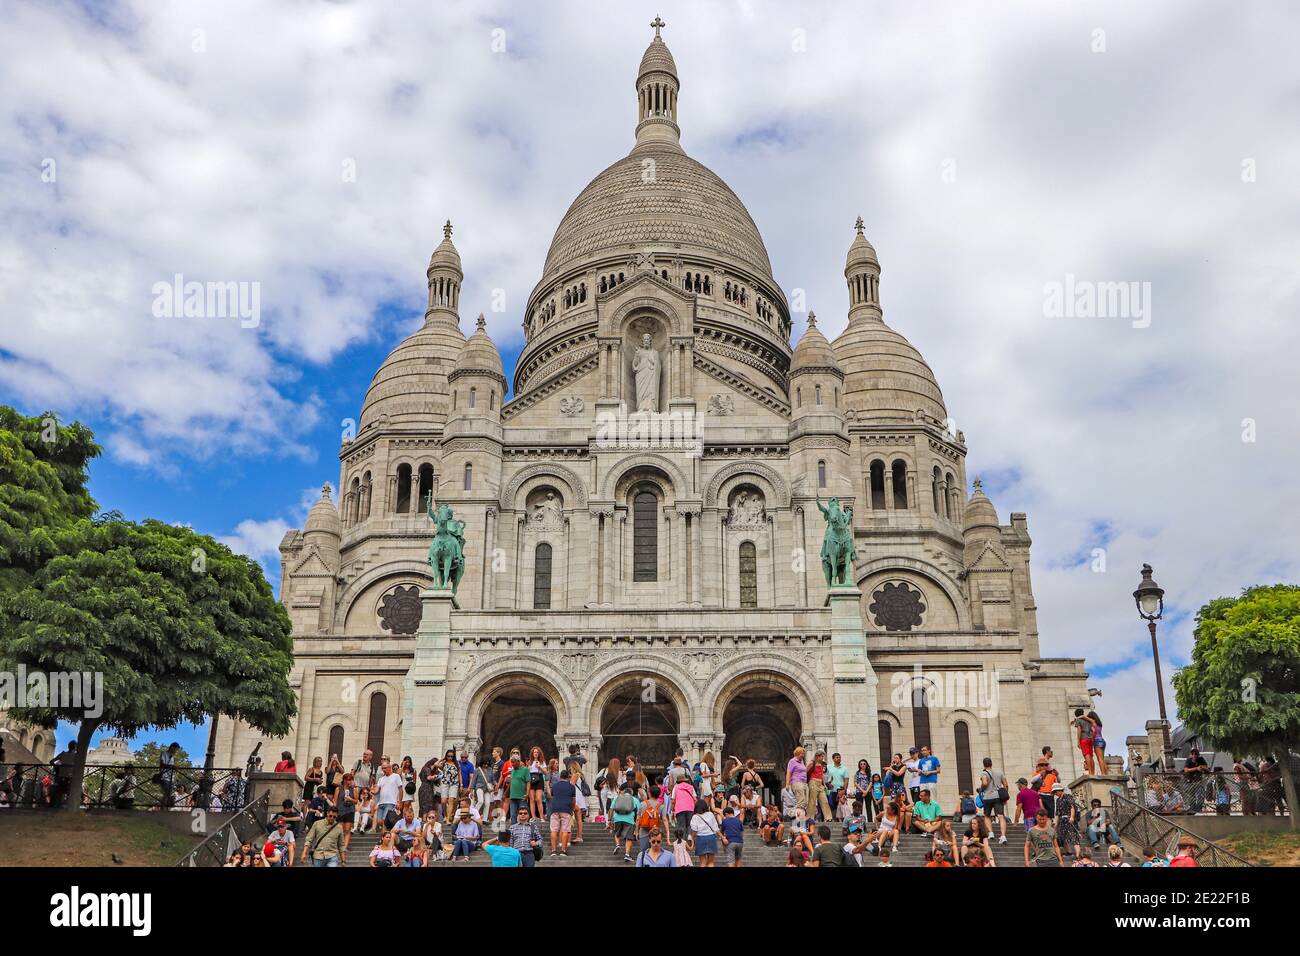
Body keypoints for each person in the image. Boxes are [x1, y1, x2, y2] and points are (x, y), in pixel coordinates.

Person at [978, 757, 1009, 844]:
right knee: (1001, 816)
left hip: (988, 797)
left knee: (987, 816)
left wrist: (982, 789)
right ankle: (1003, 836)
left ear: (984, 764)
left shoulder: (984, 773)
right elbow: (1006, 785)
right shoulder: (999, 772)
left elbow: (984, 783)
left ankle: (991, 833)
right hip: (998, 796)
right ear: (991, 764)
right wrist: (1005, 796)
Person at [548, 768, 577, 856]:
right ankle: (563, 850)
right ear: (568, 777)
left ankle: (553, 850)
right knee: (565, 830)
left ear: (560, 776)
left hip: (555, 809)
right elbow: (573, 801)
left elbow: (552, 796)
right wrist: (572, 810)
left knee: (554, 830)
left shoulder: (555, 786)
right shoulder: (571, 787)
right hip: (566, 809)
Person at [610, 781, 640, 862]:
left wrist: (610, 820)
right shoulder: (635, 799)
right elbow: (639, 813)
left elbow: (611, 808)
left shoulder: (617, 797)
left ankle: (617, 845)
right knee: (629, 838)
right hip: (629, 820)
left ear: (624, 792)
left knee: (617, 834)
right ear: (631, 793)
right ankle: (627, 854)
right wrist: (637, 828)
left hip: (617, 819)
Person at [689, 798, 721, 866]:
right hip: (711, 838)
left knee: (702, 862)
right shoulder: (710, 814)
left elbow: (694, 831)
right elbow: (716, 828)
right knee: (711, 861)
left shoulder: (695, 817)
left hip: (700, 838)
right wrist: (722, 837)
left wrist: (693, 839)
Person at [374, 759, 403, 833]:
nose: (383, 770)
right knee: (379, 821)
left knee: (384, 821)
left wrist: (399, 802)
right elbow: (377, 790)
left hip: (391, 802)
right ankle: (387, 835)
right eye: (382, 768)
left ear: (390, 767)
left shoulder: (396, 776)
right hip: (381, 803)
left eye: (385, 768)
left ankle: (383, 839)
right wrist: (373, 791)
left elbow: (400, 789)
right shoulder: (381, 779)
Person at [1072, 708, 1097, 774]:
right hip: (1090, 739)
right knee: (1091, 756)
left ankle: (1090, 773)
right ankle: (1093, 772)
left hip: (1084, 739)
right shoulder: (1088, 721)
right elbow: (1093, 731)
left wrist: (1078, 741)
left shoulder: (1078, 720)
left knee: (1086, 755)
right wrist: (1091, 737)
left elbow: (1079, 731)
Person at [786, 746, 809, 814]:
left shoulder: (801, 761)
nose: (803, 755)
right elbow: (789, 772)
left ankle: (792, 813)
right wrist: (787, 784)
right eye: (802, 754)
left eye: (804, 754)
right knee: (801, 801)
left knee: (805, 802)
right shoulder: (792, 761)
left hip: (804, 783)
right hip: (797, 782)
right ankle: (798, 819)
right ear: (798, 753)